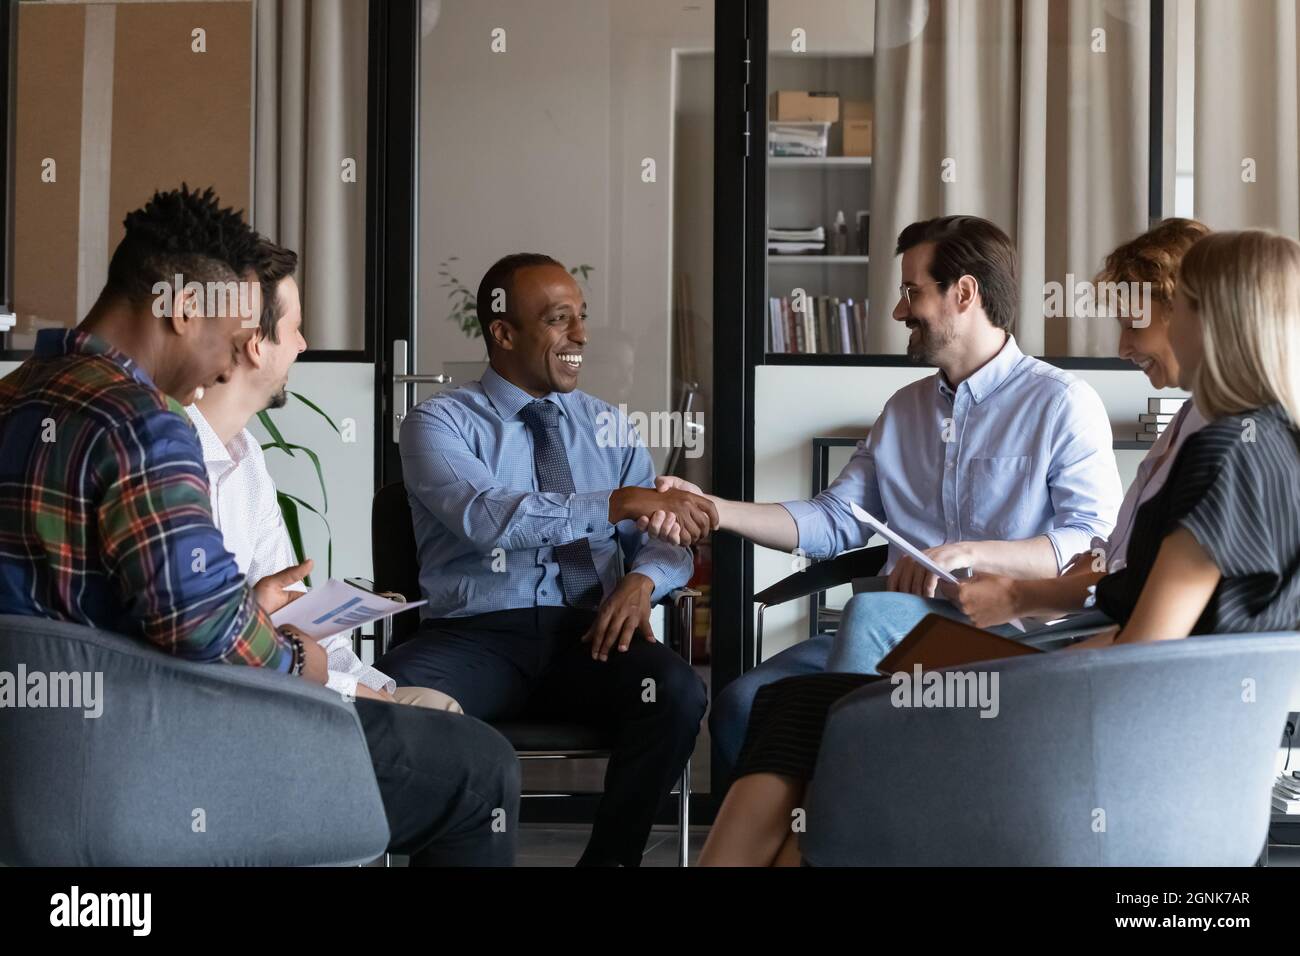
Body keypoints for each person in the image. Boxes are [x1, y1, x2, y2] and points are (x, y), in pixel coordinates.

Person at [697, 227, 1300, 866]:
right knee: (805, 710)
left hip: (1105, 723)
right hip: (1113, 702)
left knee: (831, 710)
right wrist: (715, 511)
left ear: (1217, 318)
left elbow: (1142, 657)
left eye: (1174, 311)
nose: (1134, 340)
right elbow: (1143, 624)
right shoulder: (1261, 445)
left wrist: (1010, 665)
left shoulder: (1218, 452)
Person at [0, 185, 518, 866]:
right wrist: (298, 659)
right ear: (186, 308)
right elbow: (204, 629)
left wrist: (242, 612)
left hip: (32, 771)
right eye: (233, 336)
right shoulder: (141, 425)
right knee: (478, 769)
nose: (228, 362)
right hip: (158, 760)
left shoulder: (17, 395)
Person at [650, 215, 1122, 784]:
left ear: (964, 293)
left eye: (911, 292)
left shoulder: (1062, 403)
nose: (900, 311)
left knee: (867, 626)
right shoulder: (904, 410)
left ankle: (848, 838)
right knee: (740, 704)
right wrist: (713, 509)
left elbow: (1092, 544)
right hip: (893, 634)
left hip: (1007, 635)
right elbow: (833, 521)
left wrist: (972, 553)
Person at [377, 252, 715, 867]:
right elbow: (487, 517)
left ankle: (611, 863)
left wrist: (643, 579)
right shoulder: (437, 423)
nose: (581, 336)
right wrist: (613, 503)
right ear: (504, 332)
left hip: (593, 634)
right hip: (473, 638)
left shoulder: (608, 426)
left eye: (581, 318)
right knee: (386, 702)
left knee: (675, 693)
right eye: (560, 320)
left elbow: (666, 539)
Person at [186, 240, 462, 712]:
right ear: (256, 345)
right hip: (242, 699)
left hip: (297, 678)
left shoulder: (247, 457)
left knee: (440, 711)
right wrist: (355, 693)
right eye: (295, 329)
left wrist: (380, 690)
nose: (303, 345)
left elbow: (298, 615)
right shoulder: (172, 462)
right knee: (467, 750)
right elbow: (221, 648)